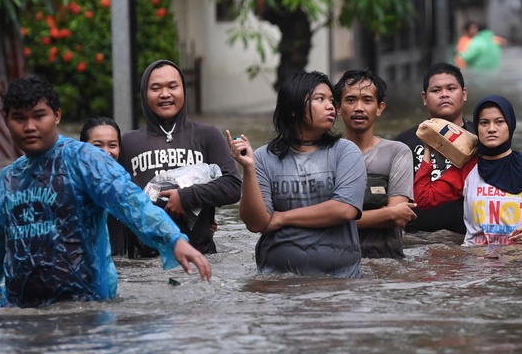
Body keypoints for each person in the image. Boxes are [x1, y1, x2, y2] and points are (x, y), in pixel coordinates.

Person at [0, 75, 211, 308]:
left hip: (85, 306)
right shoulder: (9, 178)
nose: (29, 127)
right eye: (19, 118)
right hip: (20, 309)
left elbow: (131, 202)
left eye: (38, 116)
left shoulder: (86, 160)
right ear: (6, 120)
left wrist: (173, 239)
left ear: (56, 116)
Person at [225, 71, 366, 278]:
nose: (331, 107)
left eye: (331, 100)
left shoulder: (345, 151)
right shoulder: (263, 157)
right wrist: (248, 169)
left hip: (339, 279)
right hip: (276, 278)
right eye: (320, 99)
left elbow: (344, 209)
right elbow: (256, 224)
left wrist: (281, 218)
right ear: (293, 109)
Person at [119, 60, 242, 256]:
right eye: (156, 88)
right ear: (144, 94)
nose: (165, 94)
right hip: (146, 260)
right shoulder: (126, 143)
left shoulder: (207, 136)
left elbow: (233, 186)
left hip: (200, 256)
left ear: (183, 90)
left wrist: (186, 197)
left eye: (172, 86)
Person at [413, 95, 522, 246]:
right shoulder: (468, 167)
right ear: (477, 128)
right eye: (484, 123)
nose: (491, 129)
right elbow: (423, 198)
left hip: (519, 262)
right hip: (476, 262)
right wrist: (428, 148)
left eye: (499, 122)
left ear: (510, 125)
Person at [332, 70, 416, 259]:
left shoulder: (397, 152)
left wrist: (335, 221)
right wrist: (386, 213)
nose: (359, 108)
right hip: (337, 260)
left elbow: (398, 217)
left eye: (367, 100)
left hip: (386, 260)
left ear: (379, 108)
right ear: (338, 107)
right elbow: (392, 213)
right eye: (351, 100)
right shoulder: (328, 154)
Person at [393, 63, 473, 235]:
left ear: (464, 94)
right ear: (424, 98)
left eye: (451, 88)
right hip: (417, 241)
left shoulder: (480, 140)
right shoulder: (403, 143)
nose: (444, 94)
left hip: (468, 240)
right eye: (436, 90)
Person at [80, 116, 129, 255]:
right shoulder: (72, 188)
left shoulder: (126, 189)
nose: (106, 152)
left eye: (112, 145)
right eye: (97, 145)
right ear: (82, 149)